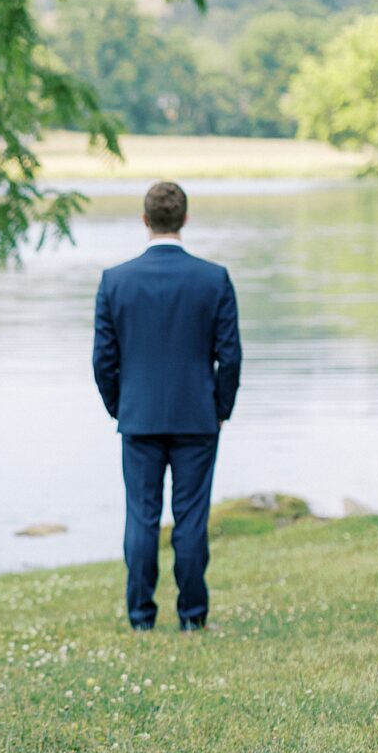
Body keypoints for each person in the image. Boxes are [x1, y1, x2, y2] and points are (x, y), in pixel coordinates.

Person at [92, 181, 242, 632]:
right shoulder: (214, 279)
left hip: (139, 418)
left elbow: (103, 360)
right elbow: (230, 357)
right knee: (191, 518)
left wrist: (121, 407)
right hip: (197, 417)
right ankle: (193, 617)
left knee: (141, 517)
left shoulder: (115, 281)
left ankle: (141, 617)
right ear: (185, 220)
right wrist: (219, 409)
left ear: (145, 220)